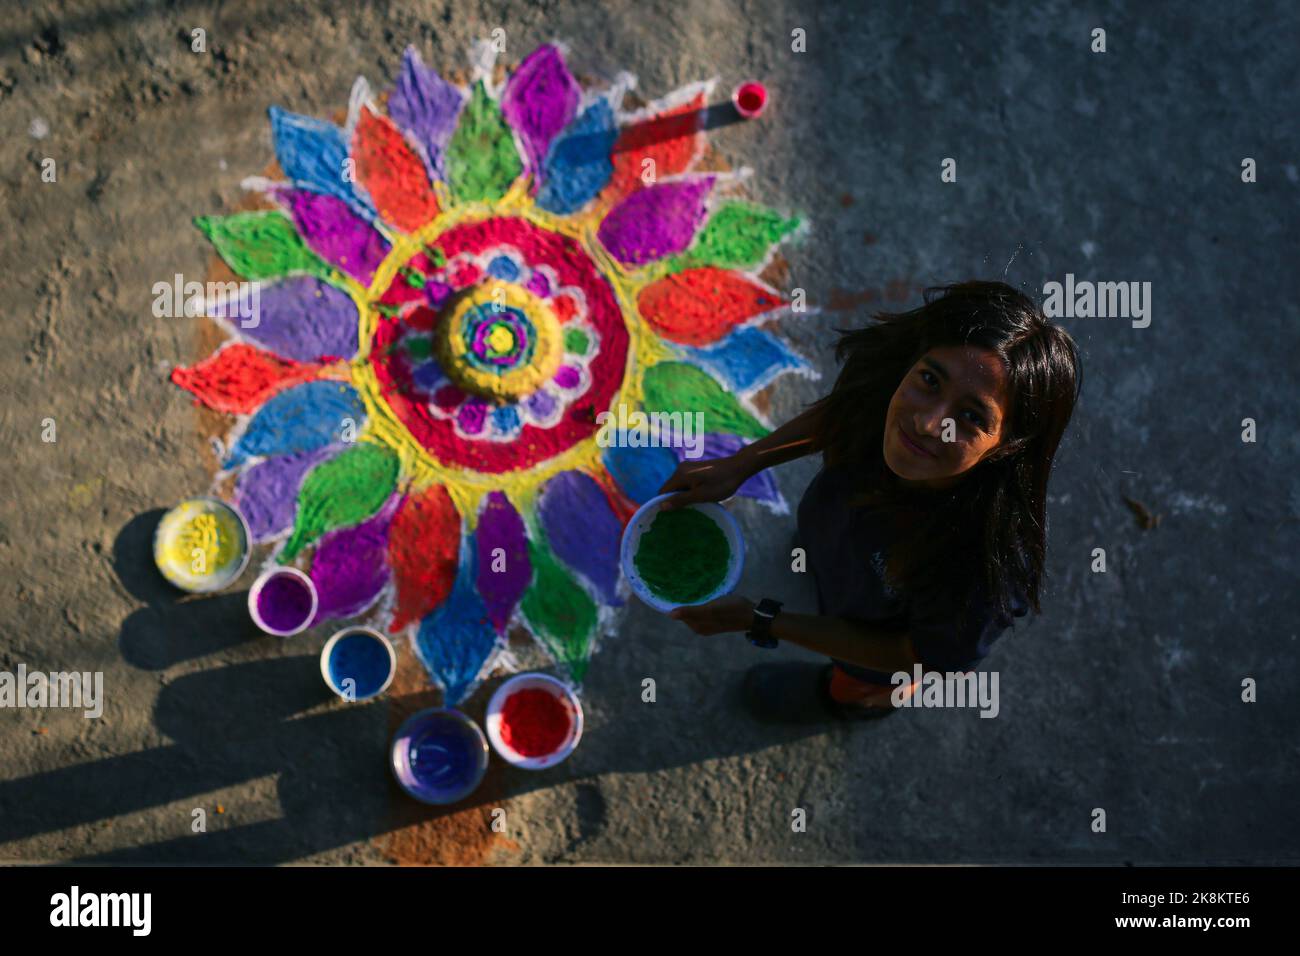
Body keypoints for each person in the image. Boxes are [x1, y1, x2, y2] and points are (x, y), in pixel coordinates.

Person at [656, 280, 1081, 722]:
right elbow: (845, 413)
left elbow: (913, 655)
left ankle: (849, 702)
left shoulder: (984, 570)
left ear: (1008, 445)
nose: (928, 422)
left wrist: (762, 620)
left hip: (877, 637)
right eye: (931, 380)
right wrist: (743, 463)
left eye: (973, 416)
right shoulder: (887, 382)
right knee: (825, 562)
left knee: (859, 679)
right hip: (840, 544)